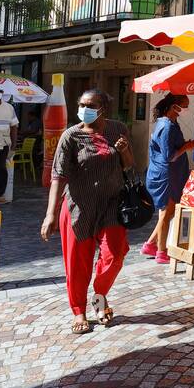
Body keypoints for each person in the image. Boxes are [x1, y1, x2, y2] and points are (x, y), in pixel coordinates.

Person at [40, 88, 134, 336]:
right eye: (81, 104)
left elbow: (129, 164)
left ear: (103, 108)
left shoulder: (118, 129)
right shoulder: (71, 136)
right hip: (78, 206)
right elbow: (58, 175)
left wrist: (124, 151)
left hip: (111, 204)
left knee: (115, 254)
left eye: (90, 105)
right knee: (77, 263)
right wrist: (51, 213)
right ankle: (78, 310)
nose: (84, 109)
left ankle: (99, 293)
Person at [143, 94, 190, 262]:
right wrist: (187, 146)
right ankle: (161, 252)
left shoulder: (171, 123)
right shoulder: (167, 126)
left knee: (168, 212)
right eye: (183, 106)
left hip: (172, 174)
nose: (185, 110)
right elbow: (169, 155)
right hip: (166, 175)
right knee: (165, 213)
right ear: (173, 106)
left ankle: (150, 244)